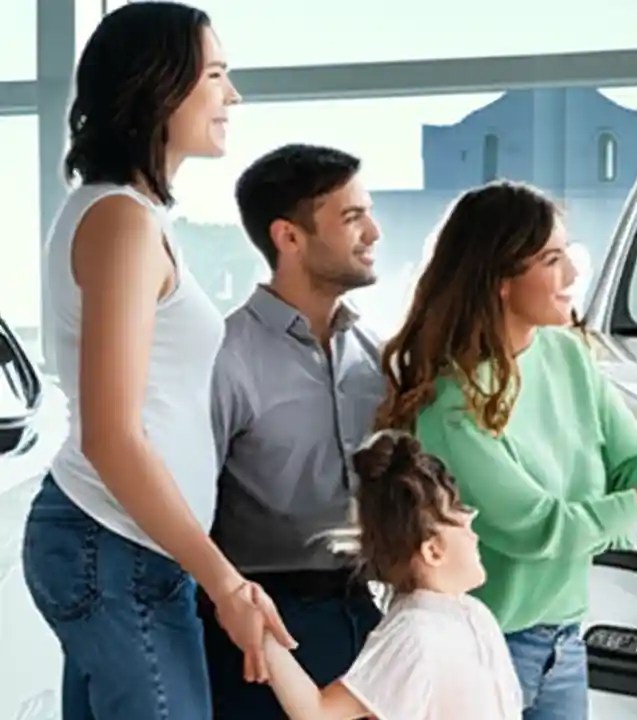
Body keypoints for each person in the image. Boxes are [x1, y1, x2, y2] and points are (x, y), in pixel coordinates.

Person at [375, 180, 637, 719]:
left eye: (567, 254)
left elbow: (633, 463)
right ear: (500, 280)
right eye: (551, 260)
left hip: (564, 641)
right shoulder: (452, 406)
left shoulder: (566, 355)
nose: (572, 275)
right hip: (481, 647)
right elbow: (540, 529)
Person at [20, 4, 294, 719]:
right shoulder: (120, 221)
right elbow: (111, 436)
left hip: (128, 548)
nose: (233, 96)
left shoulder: (131, 215)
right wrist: (226, 584)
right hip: (111, 545)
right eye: (216, 75)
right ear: (159, 86)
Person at [200, 143, 386, 718]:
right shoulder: (225, 358)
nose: (374, 232)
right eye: (352, 217)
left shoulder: (377, 356)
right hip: (263, 633)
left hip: (366, 616)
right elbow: (185, 509)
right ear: (289, 237)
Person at [260, 429, 522, 720]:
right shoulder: (413, 634)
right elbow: (320, 713)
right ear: (433, 551)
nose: (474, 537)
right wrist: (263, 635)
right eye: (465, 524)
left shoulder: (474, 615)